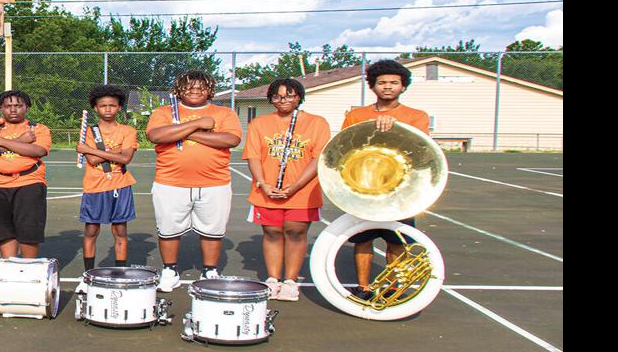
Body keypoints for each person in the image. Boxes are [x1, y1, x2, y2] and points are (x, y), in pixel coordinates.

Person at [143, 69, 242, 292]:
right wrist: (198, 124)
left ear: (210, 90)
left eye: (201, 87)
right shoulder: (164, 111)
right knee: (168, 229)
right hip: (170, 181)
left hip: (215, 182)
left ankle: (209, 270)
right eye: (189, 87)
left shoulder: (224, 113)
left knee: (212, 230)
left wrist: (181, 132)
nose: (195, 91)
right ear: (179, 89)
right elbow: (156, 136)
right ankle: (170, 270)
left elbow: (230, 139)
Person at [340, 59, 432, 299]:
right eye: (382, 82)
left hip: (399, 188)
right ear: (372, 86)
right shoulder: (356, 115)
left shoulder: (416, 116)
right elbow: (344, 146)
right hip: (365, 184)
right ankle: (363, 287)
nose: (388, 87)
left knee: (397, 240)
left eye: (394, 82)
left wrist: (396, 126)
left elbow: (420, 148)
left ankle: (393, 286)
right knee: (363, 238)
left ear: (403, 86)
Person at [242, 77, 330, 301]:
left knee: (295, 232)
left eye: (289, 95)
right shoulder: (258, 124)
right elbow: (253, 156)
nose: (283, 100)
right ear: (271, 99)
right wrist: (263, 183)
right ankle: (273, 279)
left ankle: (290, 281)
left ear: (299, 97)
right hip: (267, 191)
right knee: (271, 232)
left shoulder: (317, 123)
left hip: (302, 192)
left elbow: (319, 158)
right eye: (277, 96)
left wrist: (296, 185)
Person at [0, 89, 52, 259]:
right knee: (4, 232)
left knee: (29, 231)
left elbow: (37, 150)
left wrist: (0, 143)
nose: (13, 109)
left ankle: (28, 268)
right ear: (0, 108)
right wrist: (20, 142)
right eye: (8, 106)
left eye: (18, 105)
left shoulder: (38, 129)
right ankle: (9, 266)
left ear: (27, 108)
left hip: (28, 183)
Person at [74, 84, 138, 286]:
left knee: (120, 232)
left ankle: (120, 273)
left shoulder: (128, 130)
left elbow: (126, 158)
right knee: (91, 231)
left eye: (113, 105)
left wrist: (89, 150)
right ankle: (88, 275)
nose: (108, 109)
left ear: (119, 107)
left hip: (121, 185)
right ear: (95, 108)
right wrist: (112, 155)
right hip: (95, 187)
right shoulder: (89, 131)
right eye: (103, 106)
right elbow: (92, 161)